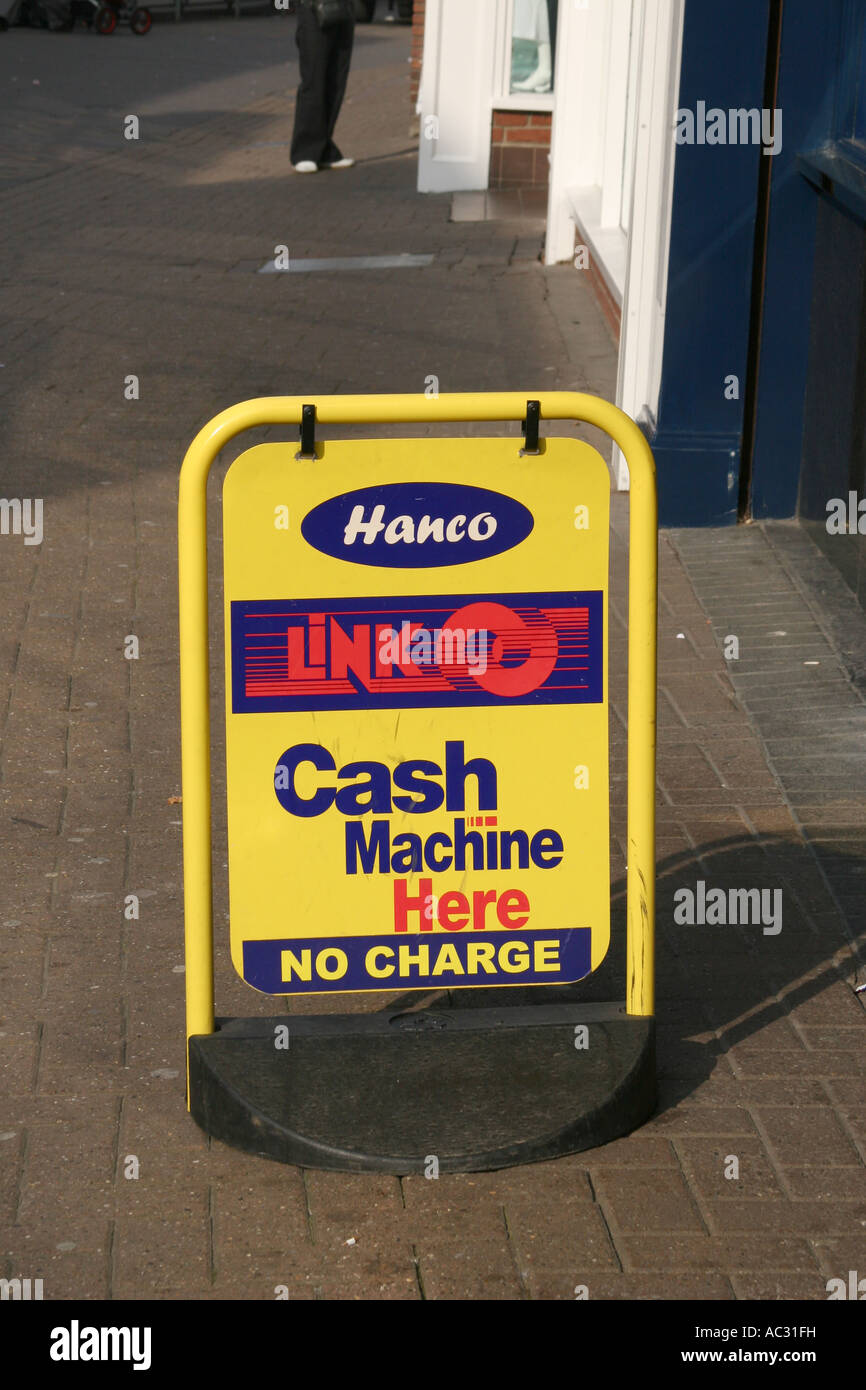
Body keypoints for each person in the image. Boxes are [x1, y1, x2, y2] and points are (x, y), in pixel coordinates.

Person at [291, 0, 356, 174]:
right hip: (313, 9)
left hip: (343, 9)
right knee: (314, 79)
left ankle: (324, 149)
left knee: (336, 80)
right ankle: (304, 152)